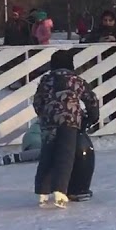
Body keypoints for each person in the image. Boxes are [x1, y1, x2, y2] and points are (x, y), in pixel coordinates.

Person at [32, 49, 100, 209]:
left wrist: (44, 114)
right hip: (69, 120)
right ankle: (60, 191)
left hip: (49, 122)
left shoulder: (46, 80)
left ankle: (42, 191)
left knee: (47, 154)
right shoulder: (75, 79)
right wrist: (92, 117)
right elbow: (91, 99)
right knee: (65, 155)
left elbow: (38, 101)